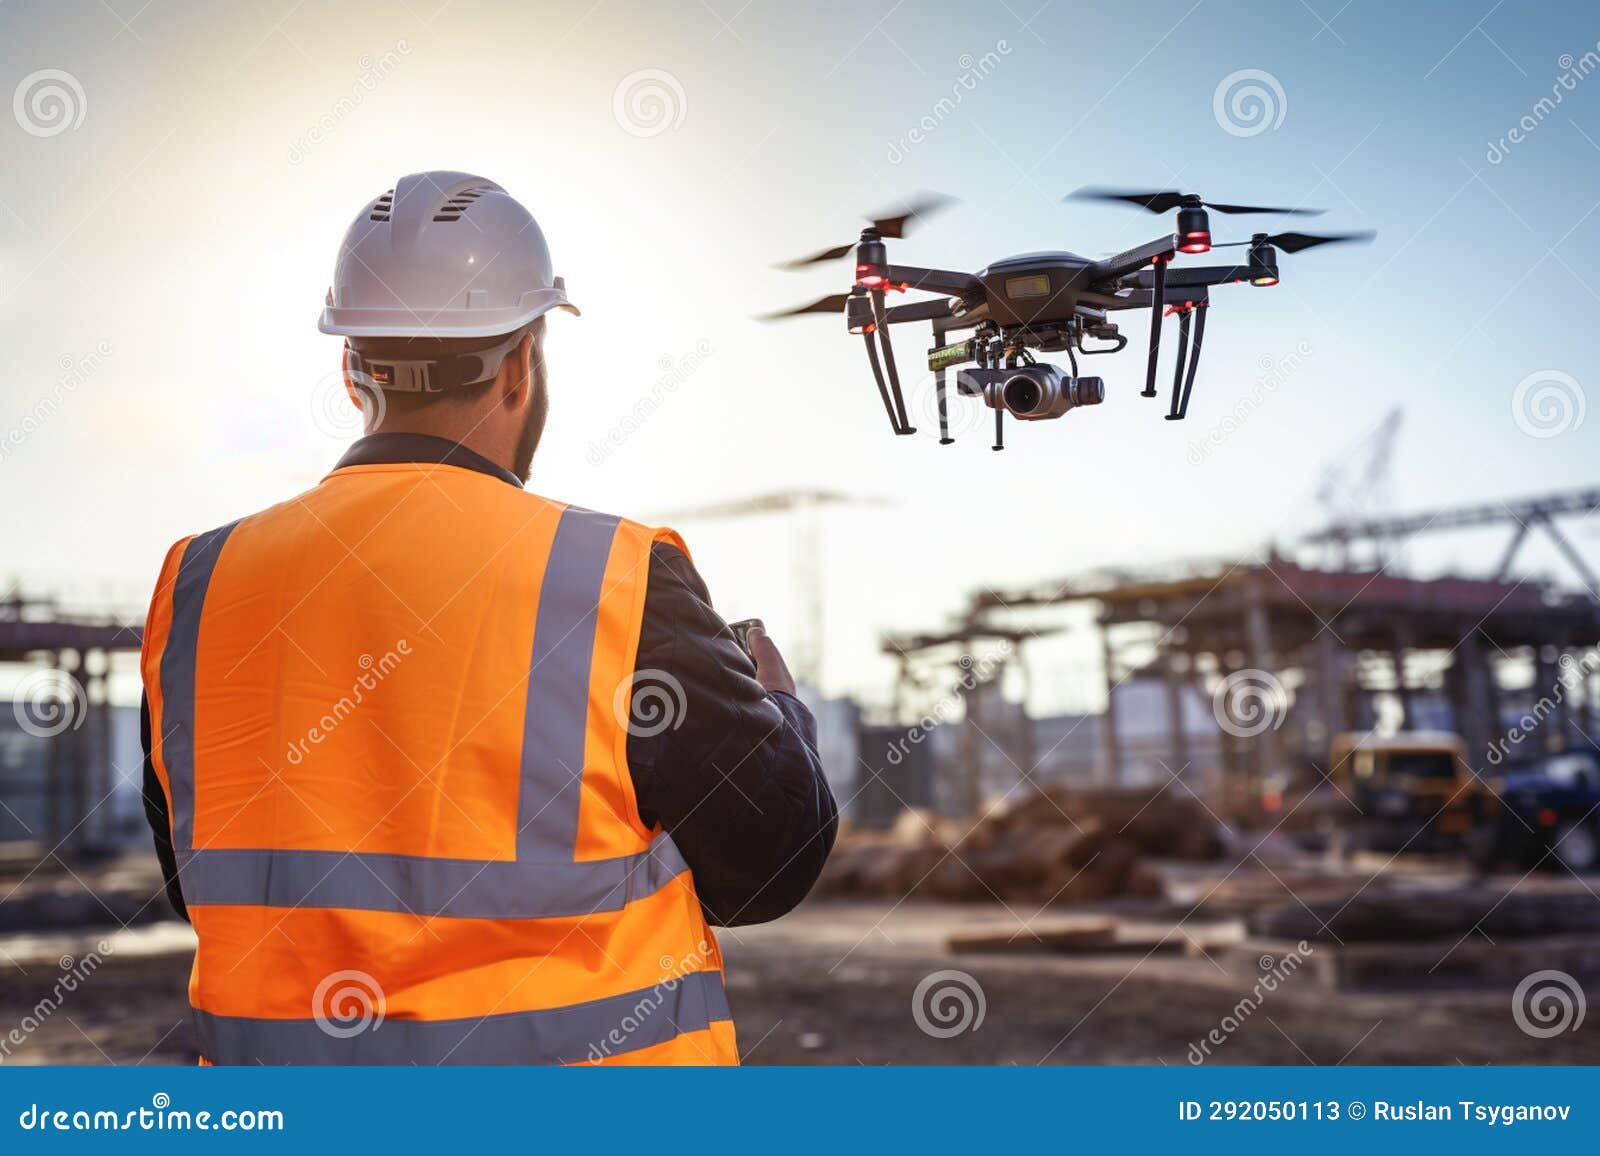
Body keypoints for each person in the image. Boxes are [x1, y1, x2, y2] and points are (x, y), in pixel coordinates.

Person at [139, 171, 837, 1065]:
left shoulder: (197, 584)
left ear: (353, 368)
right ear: (520, 365)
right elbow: (766, 869)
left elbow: (195, 881)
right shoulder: (613, 577)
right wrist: (779, 709)